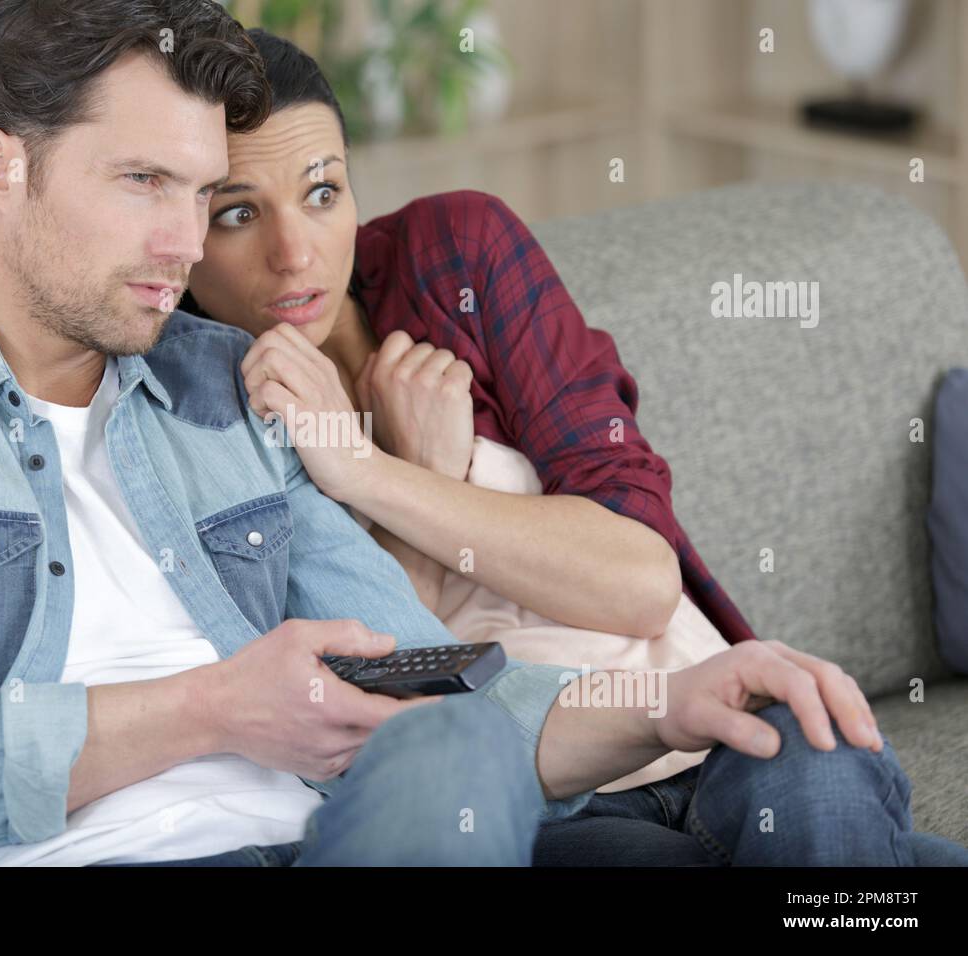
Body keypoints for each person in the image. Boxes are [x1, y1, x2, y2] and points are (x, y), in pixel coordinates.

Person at [181, 28, 968, 865]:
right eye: (237, 213)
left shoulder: (454, 260)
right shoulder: (190, 408)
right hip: (549, 792)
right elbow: (368, 695)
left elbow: (639, 583)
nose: (295, 251)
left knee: (826, 775)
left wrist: (381, 476)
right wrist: (405, 481)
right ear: (181, 234)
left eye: (322, 192)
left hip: (716, 719)